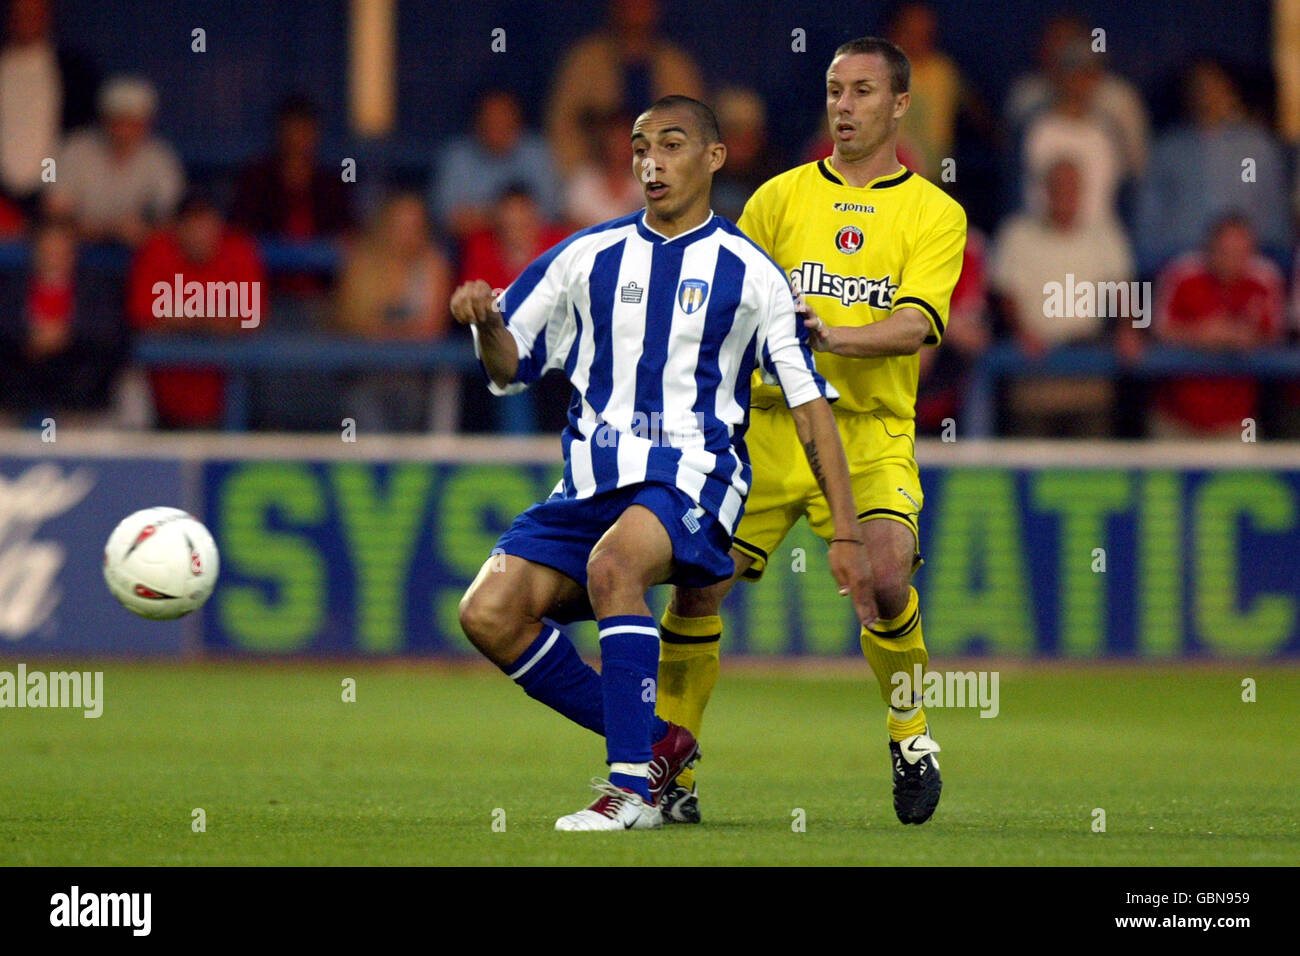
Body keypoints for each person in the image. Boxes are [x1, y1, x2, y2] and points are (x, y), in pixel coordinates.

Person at [453, 95, 874, 831]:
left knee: (615, 568)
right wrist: (488, 320)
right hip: (589, 485)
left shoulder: (752, 274)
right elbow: (509, 365)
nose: (652, 160)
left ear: (714, 156)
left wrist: (845, 532)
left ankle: (632, 793)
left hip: (695, 479)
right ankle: (659, 745)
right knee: (487, 613)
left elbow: (811, 409)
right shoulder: (586, 256)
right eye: (642, 146)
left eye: (672, 144)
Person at [659, 38, 966, 827]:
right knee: (698, 584)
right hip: (766, 428)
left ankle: (910, 736)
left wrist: (826, 337)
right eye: (835, 90)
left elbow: (915, 327)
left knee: (888, 576)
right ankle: (672, 767)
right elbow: (730, 302)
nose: (844, 105)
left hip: (866, 431)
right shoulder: (779, 198)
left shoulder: (936, 213)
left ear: (900, 104)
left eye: (863, 91)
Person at [990, 158, 1133, 436]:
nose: (1064, 193)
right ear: (1044, 190)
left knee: (1091, 467)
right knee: (1031, 465)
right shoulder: (1017, 233)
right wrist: (1021, 331)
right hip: (1034, 371)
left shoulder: (1105, 233)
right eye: (1057, 186)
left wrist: (1130, 329)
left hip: (1088, 369)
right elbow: (1007, 294)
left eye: (1072, 187)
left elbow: (1125, 288)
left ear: (1083, 192)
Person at [1135, 59, 1290, 275]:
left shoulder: (1256, 146)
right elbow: (1151, 211)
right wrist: (1149, 261)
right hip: (1183, 259)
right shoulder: (1168, 148)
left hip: (1243, 263)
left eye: (1213, 86)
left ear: (1230, 90)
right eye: (1199, 87)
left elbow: (1271, 206)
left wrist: (1276, 259)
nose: (1206, 94)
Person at [127, 192, 264, 428]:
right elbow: (141, 314)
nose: (202, 237)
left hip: (225, 394)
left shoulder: (239, 249)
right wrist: (210, 318)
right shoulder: (157, 249)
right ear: (178, 228)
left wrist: (180, 317)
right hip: (164, 394)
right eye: (194, 228)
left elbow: (252, 315)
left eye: (208, 228)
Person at [1144, 215, 1284, 438]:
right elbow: (1157, 330)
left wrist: (1242, 336)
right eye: (1224, 252)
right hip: (1176, 416)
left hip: (1236, 421)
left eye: (1241, 253)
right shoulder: (1182, 273)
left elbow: (1276, 336)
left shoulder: (1265, 278)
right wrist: (1200, 333)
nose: (1232, 261)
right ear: (1210, 248)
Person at [335, 192, 454, 433]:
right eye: (400, 225)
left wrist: (383, 329)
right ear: (385, 225)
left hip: (417, 373)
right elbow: (351, 321)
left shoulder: (433, 264)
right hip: (367, 371)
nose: (406, 234)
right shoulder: (363, 262)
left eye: (414, 226)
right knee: (364, 404)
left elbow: (432, 329)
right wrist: (400, 330)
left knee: (422, 398)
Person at [545, 0, 705, 174]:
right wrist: (583, 178)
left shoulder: (676, 67)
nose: (635, 9)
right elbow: (562, 127)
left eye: (642, 4)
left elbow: (695, 133)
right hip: (596, 182)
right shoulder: (585, 61)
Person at [0, 217, 126, 425]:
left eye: (61, 249)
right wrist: (29, 336)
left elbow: (112, 333)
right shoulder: (11, 288)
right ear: (36, 250)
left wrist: (68, 335)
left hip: (78, 387)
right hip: (18, 385)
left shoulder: (97, 289)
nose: (54, 256)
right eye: (48, 248)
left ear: (74, 252)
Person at [45, 75, 184, 246]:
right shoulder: (74, 149)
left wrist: (144, 230)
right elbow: (54, 215)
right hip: (77, 250)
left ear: (147, 123)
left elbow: (173, 220)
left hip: (138, 252)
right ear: (103, 119)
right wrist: (109, 228)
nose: (124, 130)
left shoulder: (160, 157)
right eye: (118, 120)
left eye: (133, 122)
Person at [0, 0, 100, 216]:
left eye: (35, 14)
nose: (27, 21)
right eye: (20, 14)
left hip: (50, 183)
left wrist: (56, 183)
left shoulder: (72, 68)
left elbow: (80, 133)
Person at [431, 89, 559, 241]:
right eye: (491, 122)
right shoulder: (458, 156)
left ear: (518, 123)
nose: (498, 127)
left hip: (531, 248)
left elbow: (551, 211)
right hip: (469, 247)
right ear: (478, 123)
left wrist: (484, 217)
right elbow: (448, 218)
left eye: (505, 121)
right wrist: (505, 219)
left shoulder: (536, 153)